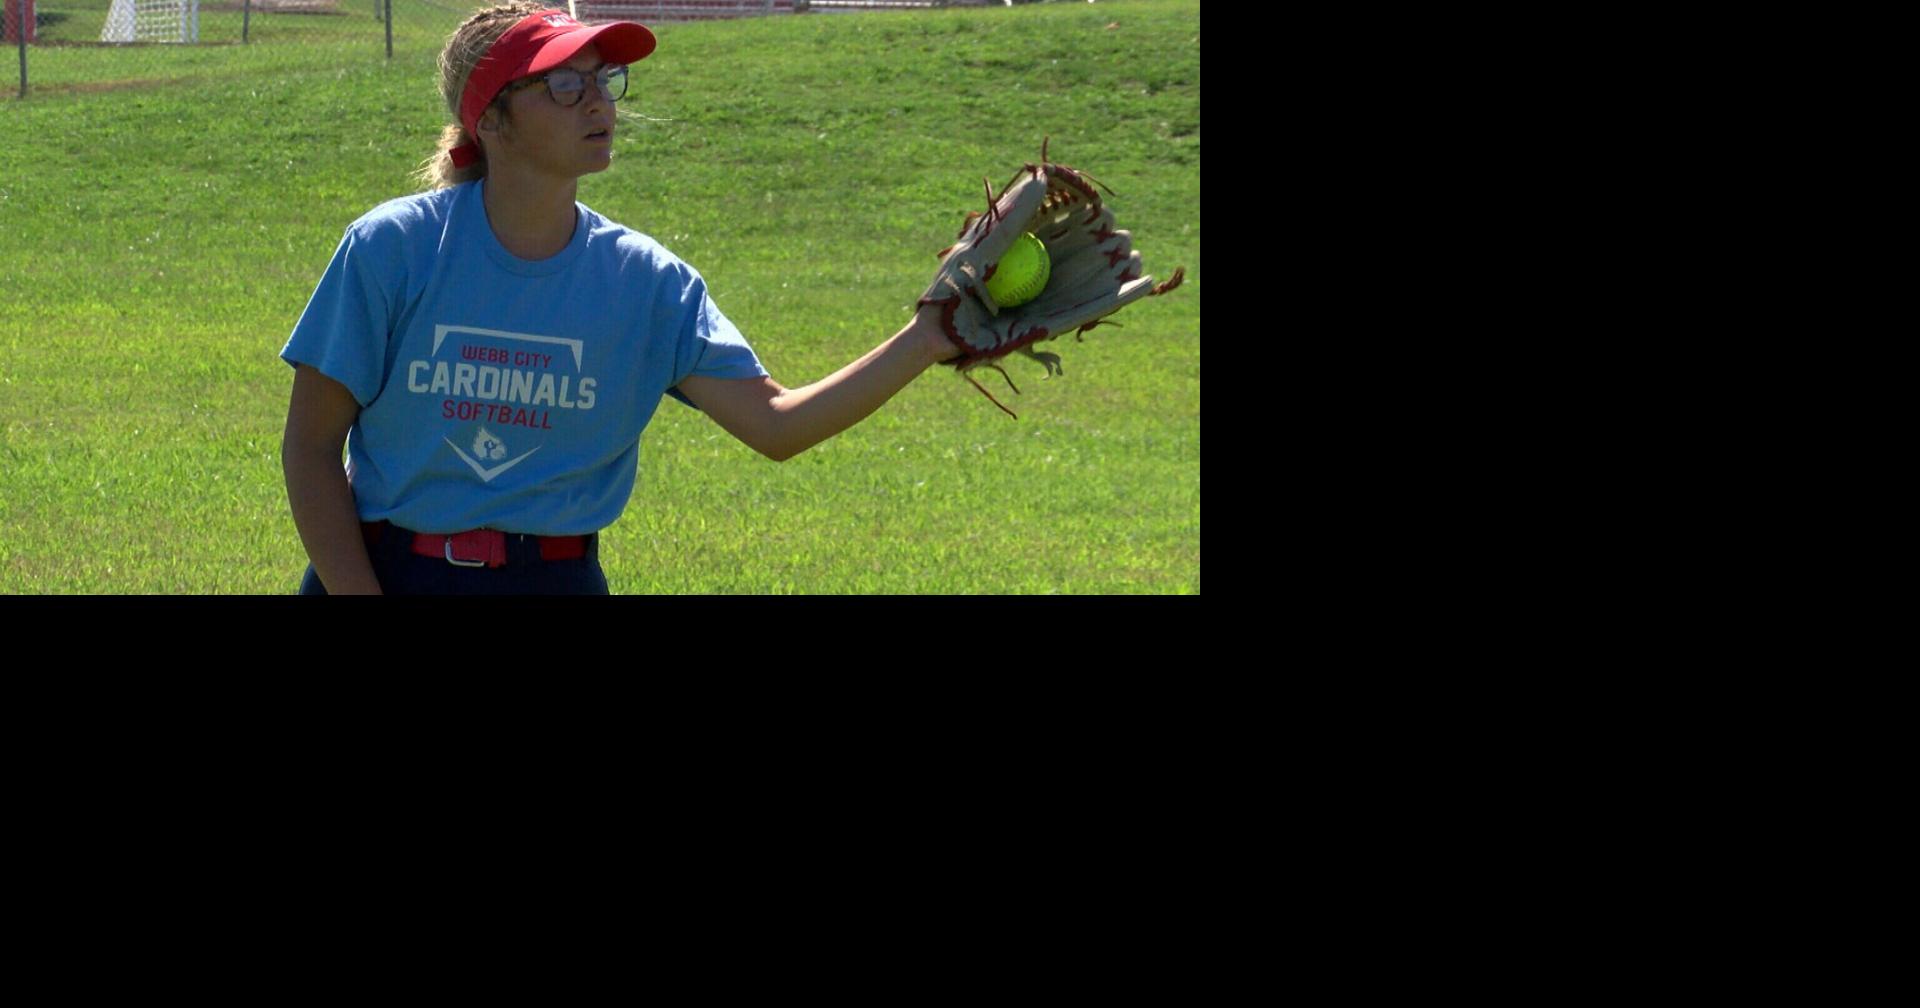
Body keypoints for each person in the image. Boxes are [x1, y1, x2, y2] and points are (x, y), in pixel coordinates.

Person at [281, 2, 961, 595]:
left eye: (603, 81)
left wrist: (925, 338)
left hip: (554, 579)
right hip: (389, 572)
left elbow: (776, 425)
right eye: (566, 85)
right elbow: (311, 450)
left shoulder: (646, 283)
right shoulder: (393, 249)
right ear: (491, 119)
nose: (599, 102)